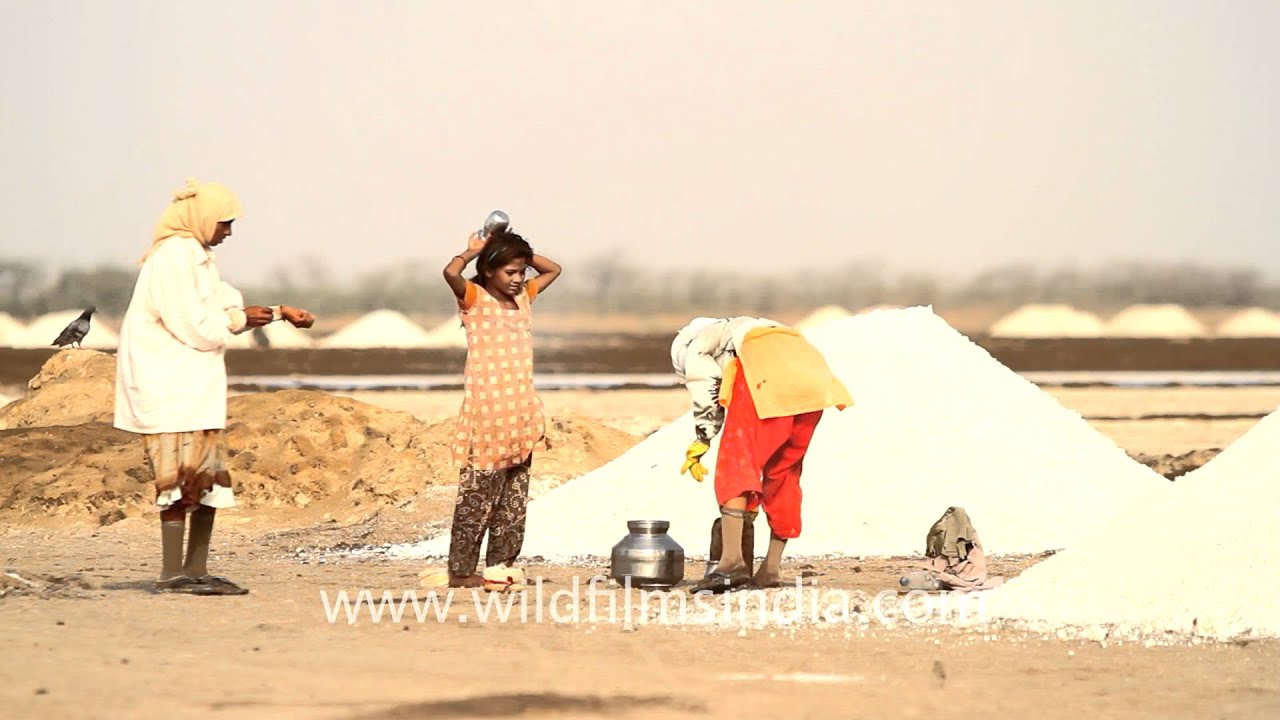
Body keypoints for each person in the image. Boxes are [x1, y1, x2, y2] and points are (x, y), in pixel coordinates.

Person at [114, 178, 316, 595]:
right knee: (175, 485)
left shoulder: (198, 259)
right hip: (169, 391)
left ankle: (196, 569)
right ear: (201, 218)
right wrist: (240, 318)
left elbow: (228, 306)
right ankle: (173, 574)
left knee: (204, 483)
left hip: (195, 392)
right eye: (224, 223)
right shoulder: (171, 259)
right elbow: (200, 327)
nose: (228, 232)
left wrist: (275, 313)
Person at [670, 317, 852, 593]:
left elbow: (703, 379)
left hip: (766, 370)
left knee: (736, 462)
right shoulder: (755, 326)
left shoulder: (699, 340)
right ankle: (770, 569)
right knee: (784, 472)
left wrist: (703, 437)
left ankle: (731, 562)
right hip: (812, 375)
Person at [440, 227, 562, 588]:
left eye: (521, 271)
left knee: (514, 498)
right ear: (489, 270)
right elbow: (450, 273)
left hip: (521, 411)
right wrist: (475, 250)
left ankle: (500, 566)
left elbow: (553, 269)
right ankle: (461, 571)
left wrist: (518, 249)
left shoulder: (524, 297)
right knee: (477, 496)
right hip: (487, 413)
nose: (518, 279)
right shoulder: (475, 298)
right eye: (509, 272)